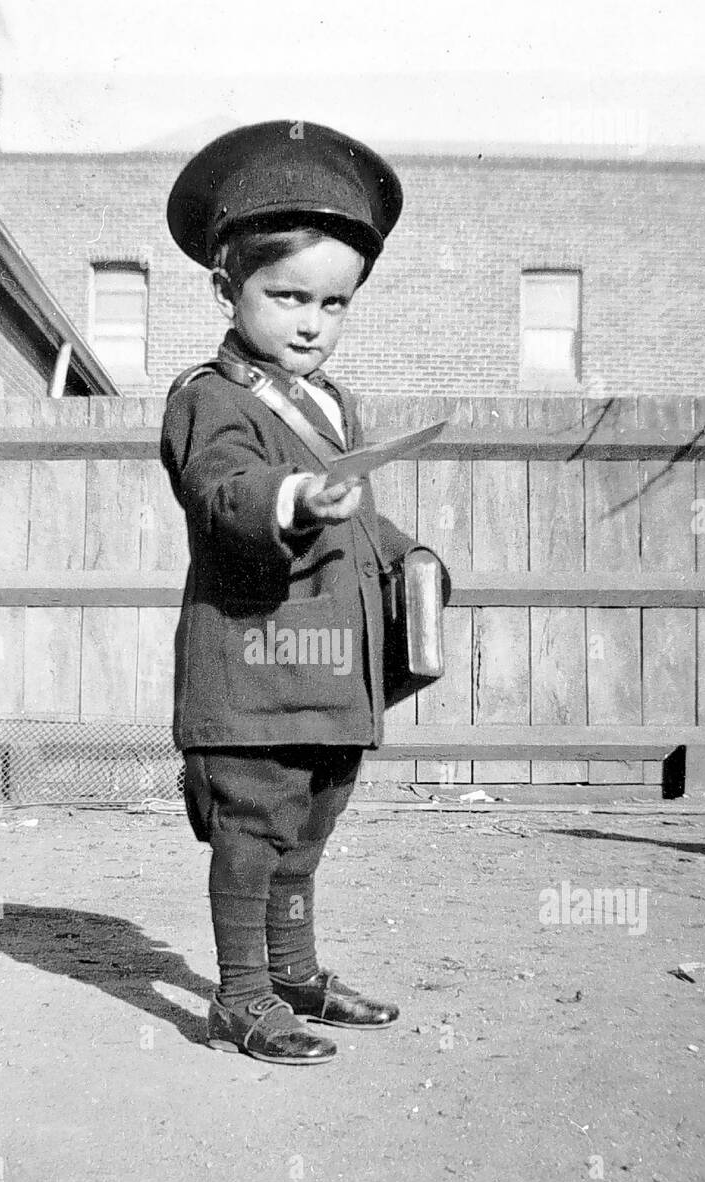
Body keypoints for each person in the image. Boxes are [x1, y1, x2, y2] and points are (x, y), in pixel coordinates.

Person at [161, 120, 437, 1064]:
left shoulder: (335, 402)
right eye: (286, 296)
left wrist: (410, 557)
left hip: (329, 671)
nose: (311, 321)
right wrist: (295, 497)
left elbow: (355, 522)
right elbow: (226, 492)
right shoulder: (212, 398)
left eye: (334, 302)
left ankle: (294, 972)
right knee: (252, 827)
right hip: (251, 666)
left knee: (312, 821)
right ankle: (238, 996)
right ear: (225, 288)